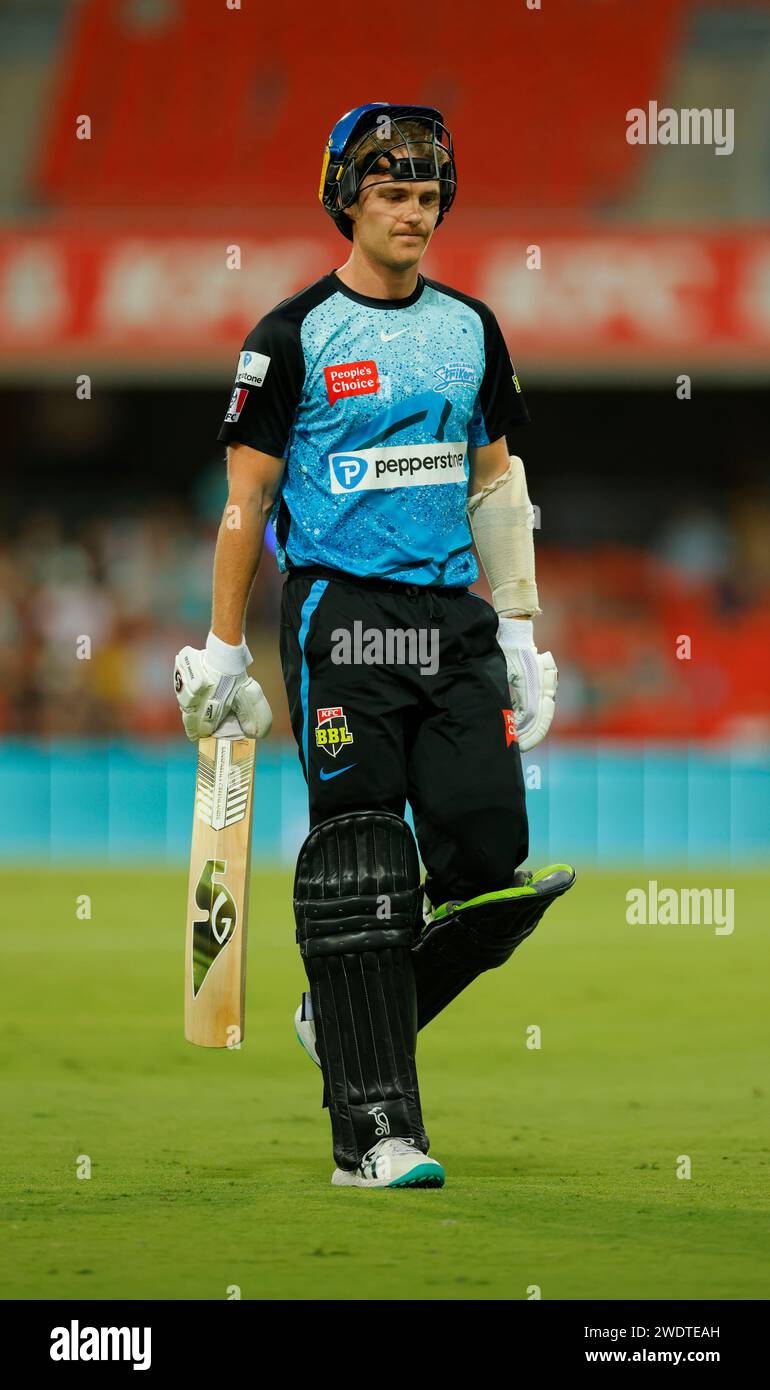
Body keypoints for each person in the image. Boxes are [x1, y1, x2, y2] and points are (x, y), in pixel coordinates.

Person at [174, 103, 575, 1190]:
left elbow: (493, 478)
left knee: (490, 871)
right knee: (363, 868)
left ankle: (342, 1012)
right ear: (346, 199)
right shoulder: (290, 337)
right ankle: (374, 1136)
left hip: (452, 624)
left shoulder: (469, 329)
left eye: (427, 194)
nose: (413, 212)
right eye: (392, 193)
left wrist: (520, 627)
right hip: (342, 617)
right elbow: (244, 504)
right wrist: (221, 651)